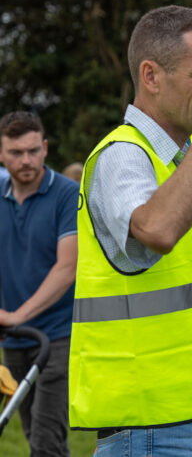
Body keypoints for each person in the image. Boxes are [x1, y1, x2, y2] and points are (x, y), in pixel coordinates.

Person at [68, 5, 192, 456]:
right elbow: (156, 229)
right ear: (151, 76)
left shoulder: (176, 158)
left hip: (178, 422)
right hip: (150, 427)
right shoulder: (124, 154)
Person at [0, 111, 78, 456]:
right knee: (33, 433)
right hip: (13, 339)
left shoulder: (66, 194)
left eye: (33, 150)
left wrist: (18, 315)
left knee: (46, 442)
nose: (26, 160)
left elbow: (67, 267)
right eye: (16, 153)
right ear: (1, 155)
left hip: (57, 335)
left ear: (45, 148)